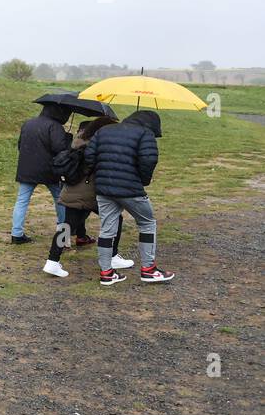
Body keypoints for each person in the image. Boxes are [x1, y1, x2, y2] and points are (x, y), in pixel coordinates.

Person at [84, 110, 174, 285]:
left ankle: (106, 273)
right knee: (147, 223)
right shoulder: (145, 133)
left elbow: (89, 155)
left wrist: (98, 174)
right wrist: (143, 180)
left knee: (107, 229)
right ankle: (149, 270)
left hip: (103, 188)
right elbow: (148, 160)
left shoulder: (105, 130)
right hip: (130, 190)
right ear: (150, 125)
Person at [42, 116, 135, 278]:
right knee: (115, 219)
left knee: (66, 226)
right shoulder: (98, 144)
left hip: (72, 190)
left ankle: (52, 261)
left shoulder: (80, 139)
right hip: (89, 192)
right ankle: (112, 256)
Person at [10, 101, 70, 244]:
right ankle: (63, 236)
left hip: (27, 168)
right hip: (49, 170)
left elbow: (20, 145)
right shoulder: (55, 126)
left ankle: (16, 234)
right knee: (61, 200)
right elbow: (60, 149)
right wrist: (67, 139)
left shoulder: (28, 123)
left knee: (22, 201)